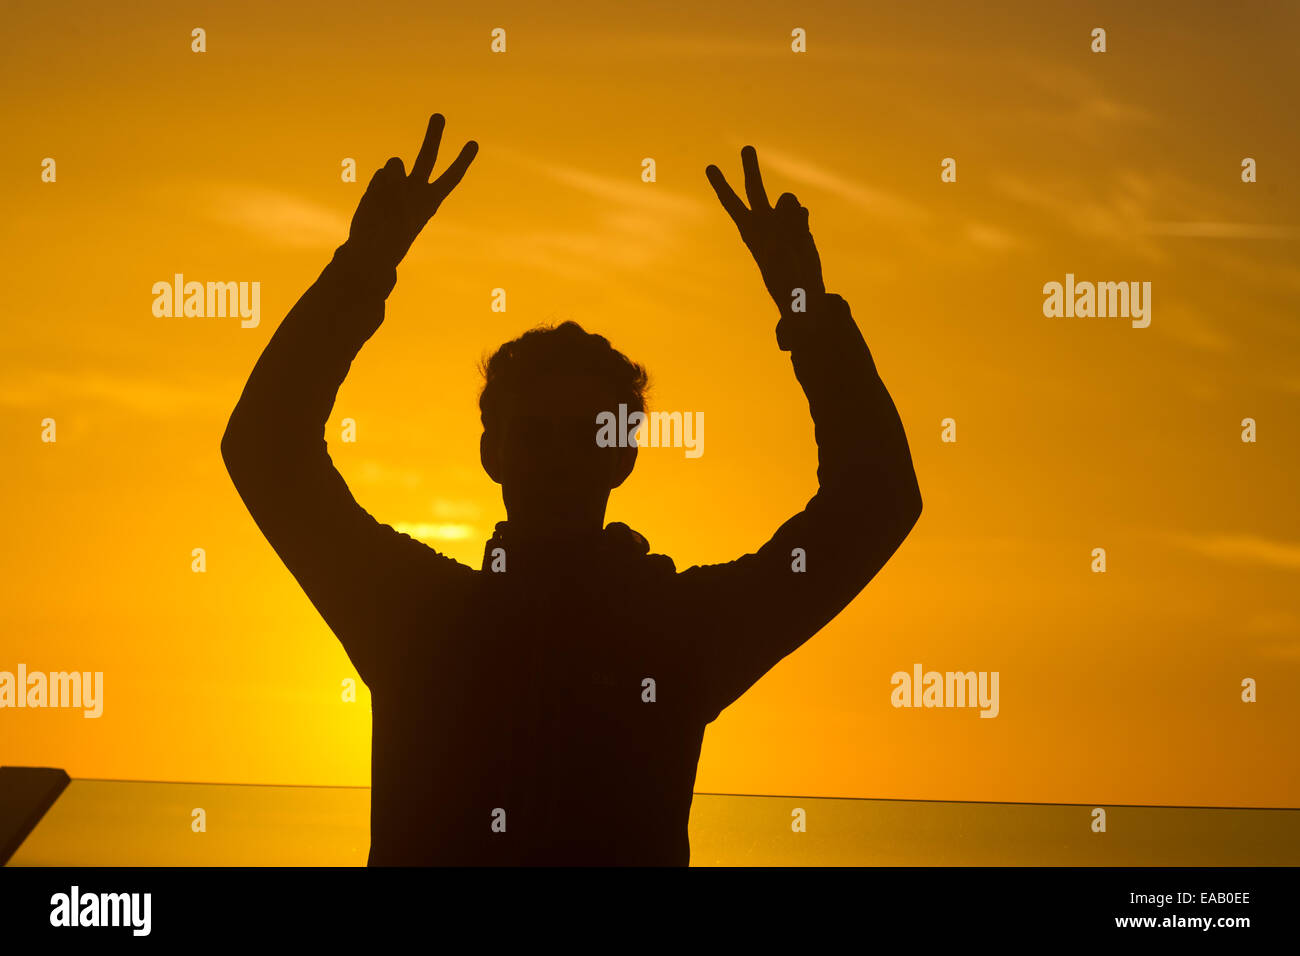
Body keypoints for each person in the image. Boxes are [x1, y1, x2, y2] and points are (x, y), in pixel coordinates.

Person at [221, 113, 922, 865]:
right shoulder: (657, 631)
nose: (557, 457)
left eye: (583, 433)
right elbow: (266, 450)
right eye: (538, 433)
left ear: (622, 457)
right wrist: (360, 268)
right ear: (493, 452)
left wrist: (810, 312)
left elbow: (874, 503)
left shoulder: (433, 616)